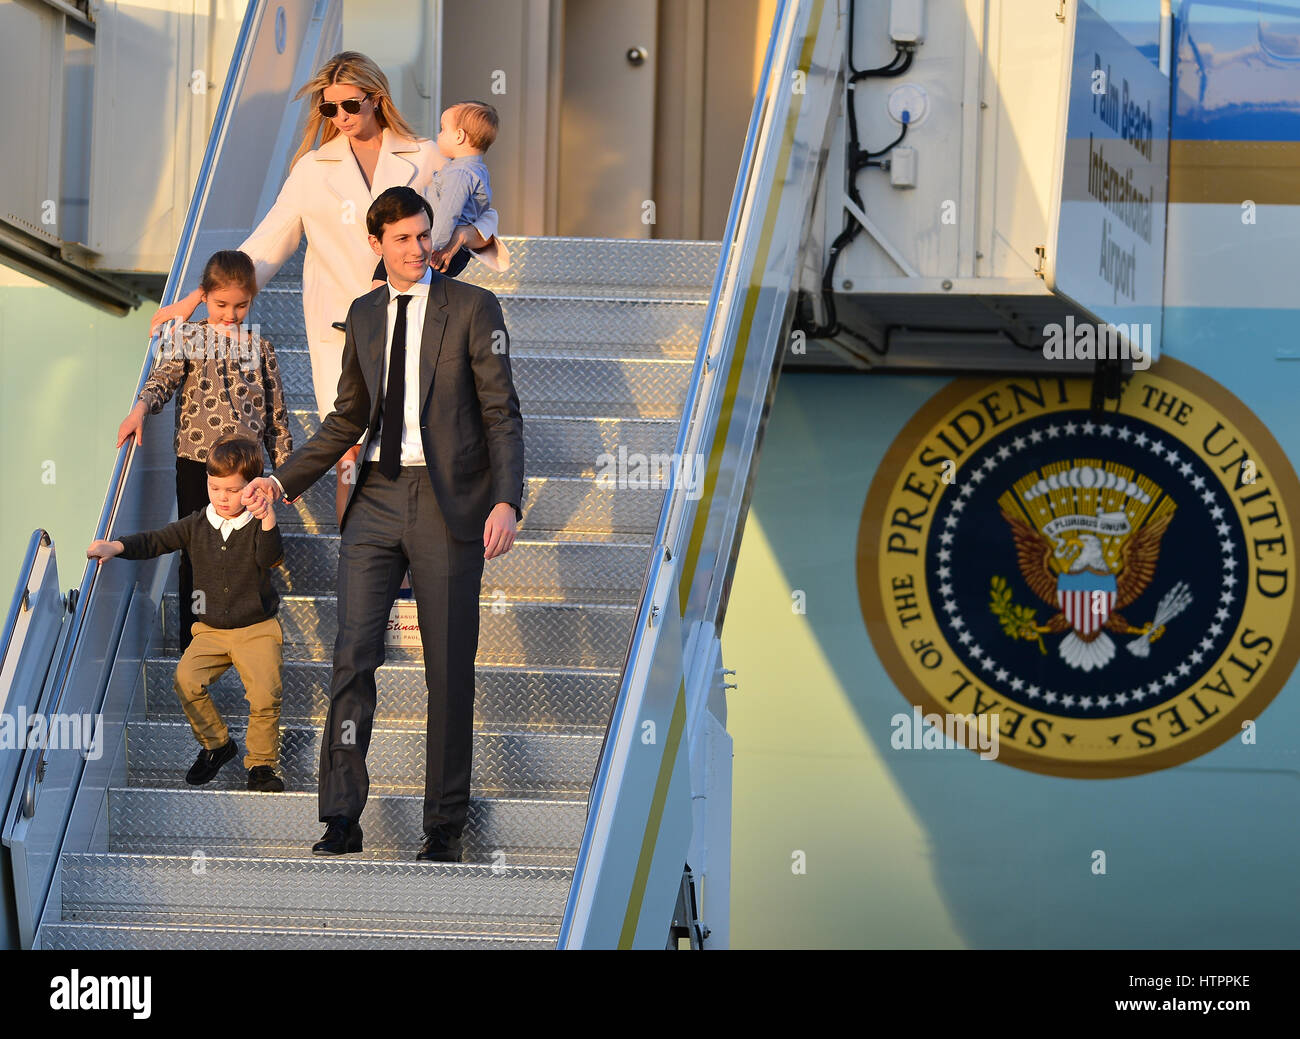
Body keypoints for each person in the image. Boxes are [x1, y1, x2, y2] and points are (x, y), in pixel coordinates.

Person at [240, 187, 524, 860]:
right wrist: (281, 481)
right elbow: (346, 418)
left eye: (424, 234)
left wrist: (506, 499)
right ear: (376, 244)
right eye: (402, 238)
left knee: (448, 667)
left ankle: (443, 826)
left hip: (449, 501)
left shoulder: (474, 306)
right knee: (352, 657)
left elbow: (501, 413)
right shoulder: (364, 314)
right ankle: (341, 816)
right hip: (374, 500)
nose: (419, 246)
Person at [149, 51, 509, 530]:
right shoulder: (312, 169)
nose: (340, 117)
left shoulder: (426, 156)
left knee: (405, 447)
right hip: (341, 333)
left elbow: (479, 209)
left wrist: (466, 236)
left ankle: (404, 579)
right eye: (328, 108)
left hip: (417, 324)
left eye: (350, 105)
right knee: (350, 452)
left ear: (377, 100)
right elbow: (264, 247)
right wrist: (198, 298)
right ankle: (360, 571)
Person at [87, 436, 288, 792]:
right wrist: (116, 546)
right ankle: (217, 745)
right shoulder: (196, 524)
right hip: (210, 630)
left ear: (252, 488)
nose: (223, 497)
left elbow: (269, 558)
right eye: (215, 487)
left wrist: (269, 518)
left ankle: (261, 766)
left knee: (265, 695)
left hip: (256, 627)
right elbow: (157, 540)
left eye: (232, 489)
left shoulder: (257, 524)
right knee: (185, 679)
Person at [117, 250, 291, 653]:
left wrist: (286, 472)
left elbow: (277, 415)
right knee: (197, 549)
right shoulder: (190, 336)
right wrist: (139, 410)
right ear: (205, 297)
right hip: (199, 465)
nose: (230, 314)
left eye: (241, 305)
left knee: (251, 551)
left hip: (248, 470)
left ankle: (250, 634)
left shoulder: (260, 346)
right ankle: (193, 641)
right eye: (220, 304)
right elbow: (162, 380)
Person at [370, 100, 499, 289]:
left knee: (384, 277)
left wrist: (428, 247)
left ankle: (375, 313)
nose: (439, 135)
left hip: (442, 250)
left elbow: (447, 214)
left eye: (443, 129)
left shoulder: (459, 175)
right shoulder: (475, 169)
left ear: (459, 136)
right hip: (449, 250)